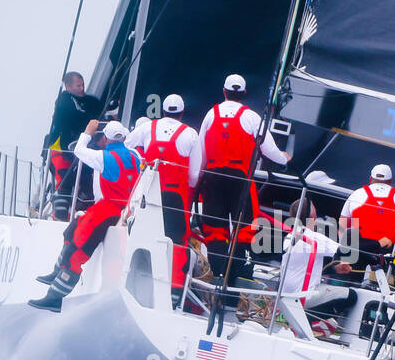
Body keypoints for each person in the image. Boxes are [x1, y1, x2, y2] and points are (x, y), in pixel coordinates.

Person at [29, 120, 143, 312]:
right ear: (124, 137)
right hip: (125, 207)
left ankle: (54, 298)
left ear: (105, 138)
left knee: (78, 251)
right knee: (71, 230)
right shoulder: (135, 156)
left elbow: (79, 150)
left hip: (109, 208)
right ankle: (56, 272)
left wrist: (88, 132)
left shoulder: (104, 156)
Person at [197, 73, 291, 293]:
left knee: (215, 231)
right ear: (244, 94)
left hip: (212, 180)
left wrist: (200, 181)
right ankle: (237, 278)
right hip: (240, 181)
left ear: (224, 92)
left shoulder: (210, 115)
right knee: (245, 230)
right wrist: (284, 158)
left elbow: (200, 153)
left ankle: (218, 275)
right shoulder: (252, 117)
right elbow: (271, 151)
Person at [125, 94, 202, 296]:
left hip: (148, 194)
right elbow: (194, 175)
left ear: (164, 111)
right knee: (177, 241)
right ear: (182, 113)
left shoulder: (146, 128)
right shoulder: (190, 134)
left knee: (141, 233)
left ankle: (132, 279)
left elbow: (127, 144)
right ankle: (175, 290)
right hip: (174, 195)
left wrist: (141, 160)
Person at [280, 198, 356, 333]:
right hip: (304, 297)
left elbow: (303, 269)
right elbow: (347, 251)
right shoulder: (314, 237)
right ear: (313, 216)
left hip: (286, 298)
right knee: (352, 296)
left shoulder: (289, 236)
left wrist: (333, 269)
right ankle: (309, 321)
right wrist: (378, 245)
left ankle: (311, 321)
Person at [42, 72, 99, 217]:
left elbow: (93, 105)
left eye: (83, 85)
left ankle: (81, 209)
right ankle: (59, 214)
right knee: (64, 181)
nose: (82, 88)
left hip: (77, 149)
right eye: (78, 86)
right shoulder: (64, 100)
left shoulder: (87, 101)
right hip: (60, 149)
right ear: (68, 86)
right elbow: (72, 115)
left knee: (85, 181)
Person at [339, 164, 395, 271]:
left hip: (358, 251)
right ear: (390, 181)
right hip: (385, 253)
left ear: (370, 179)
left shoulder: (357, 194)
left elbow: (343, 223)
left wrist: (344, 249)